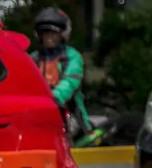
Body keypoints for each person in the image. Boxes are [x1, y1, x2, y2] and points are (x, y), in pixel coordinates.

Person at [31, 8, 104, 147]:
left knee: (64, 128)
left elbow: (69, 83)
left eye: (54, 33)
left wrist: (52, 99)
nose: (49, 37)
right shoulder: (32, 59)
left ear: (62, 34)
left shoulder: (73, 57)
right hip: (38, 113)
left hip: (69, 115)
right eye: (45, 33)